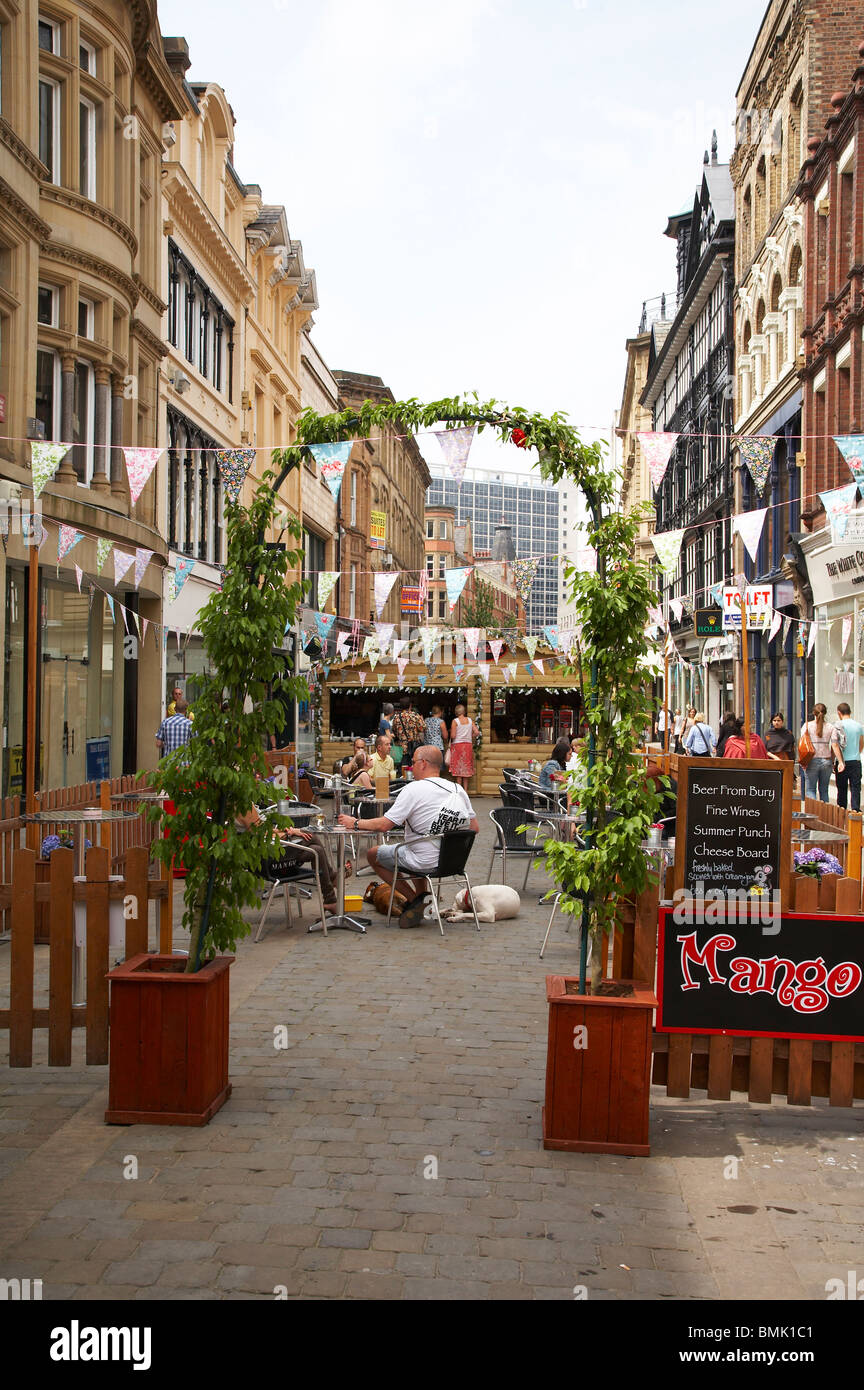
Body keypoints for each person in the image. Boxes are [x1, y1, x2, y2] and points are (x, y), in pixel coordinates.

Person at [338, 745, 479, 927]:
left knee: (374, 854)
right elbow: (474, 828)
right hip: (452, 862)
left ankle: (417, 900)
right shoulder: (458, 789)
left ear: (423, 764)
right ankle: (423, 901)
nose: (411, 767)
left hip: (422, 861)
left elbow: (384, 825)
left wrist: (354, 823)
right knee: (414, 847)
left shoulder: (414, 789)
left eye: (412, 763)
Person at [237, 803, 340, 912]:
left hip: (272, 852)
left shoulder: (245, 800)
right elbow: (260, 833)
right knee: (311, 837)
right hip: (267, 860)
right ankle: (332, 878)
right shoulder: (242, 803)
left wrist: (287, 831)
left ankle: (330, 899)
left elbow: (262, 830)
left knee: (316, 850)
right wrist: (288, 833)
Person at [800, 703, 843, 803]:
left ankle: (812, 814)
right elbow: (835, 745)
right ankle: (825, 815)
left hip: (811, 760)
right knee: (824, 790)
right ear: (825, 713)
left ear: (813, 713)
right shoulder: (831, 727)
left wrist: (803, 761)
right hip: (826, 760)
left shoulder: (807, 726)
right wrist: (839, 761)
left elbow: (802, 744)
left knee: (811, 789)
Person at [835, 703, 863, 811]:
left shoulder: (838, 725)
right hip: (855, 761)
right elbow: (861, 742)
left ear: (839, 713)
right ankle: (855, 811)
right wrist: (857, 752)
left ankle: (842, 812)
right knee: (855, 788)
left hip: (842, 761)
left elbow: (835, 745)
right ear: (850, 712)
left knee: (842, 788)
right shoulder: (858, 725)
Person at [645, 760, 677, 839]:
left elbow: (676, 810)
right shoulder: (657, 787)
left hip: (669, 825)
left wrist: (657, 819)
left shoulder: (670, 787)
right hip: (656, 822)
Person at [449, 703, 478, 789]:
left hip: (458, 746)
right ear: (464, 712)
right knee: (466, 768)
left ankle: (460, 790)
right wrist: (469, 737)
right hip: (468, 746)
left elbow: (453, 736)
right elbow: (476, 732)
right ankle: (465, 790)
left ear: (456, 712)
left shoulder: (455, 721)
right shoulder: (469, 720)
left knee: (459, 768)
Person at [391, 697, 425, 764]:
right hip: (414, 747)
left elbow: (394, 730)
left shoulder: (396, 717)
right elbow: (422, 728)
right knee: (414, 766)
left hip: (402, 748)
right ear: (410, 705)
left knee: (403, 768)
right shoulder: (415, 715)